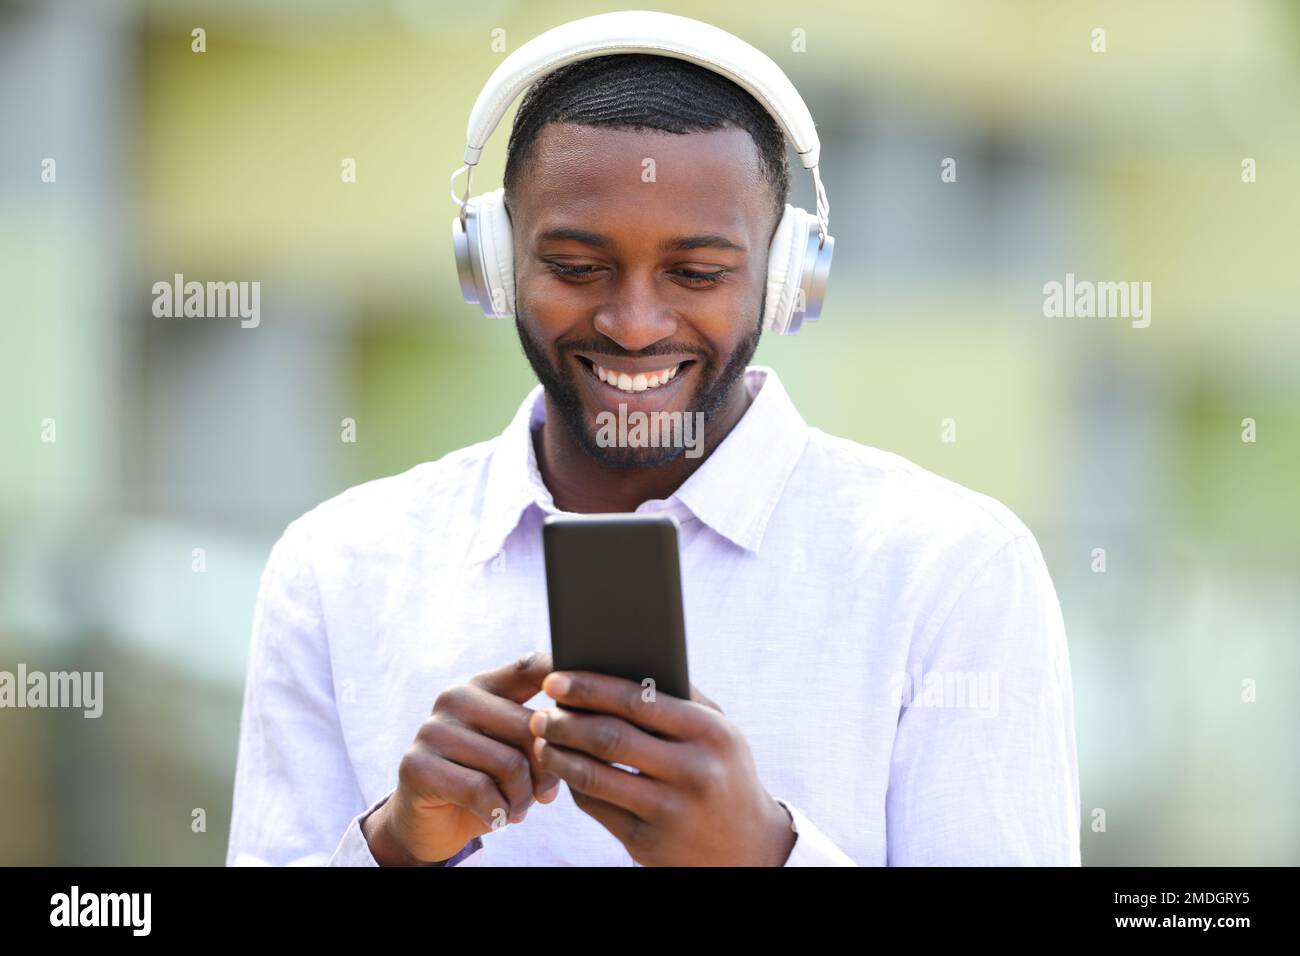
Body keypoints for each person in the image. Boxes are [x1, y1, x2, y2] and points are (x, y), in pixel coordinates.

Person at [226, 16, 1080, 867]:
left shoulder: (952, 573)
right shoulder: (336, 569)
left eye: (698, 274)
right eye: (575, 267)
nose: (634, 325)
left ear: (788, 279)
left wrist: (764, 857)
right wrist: (394, 850)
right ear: (491, 261)